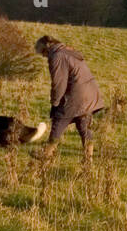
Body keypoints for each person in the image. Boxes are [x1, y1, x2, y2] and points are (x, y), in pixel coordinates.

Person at [34, 34, 105, 162]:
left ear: (47, 48)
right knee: (84, 126)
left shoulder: (57, 57)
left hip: (76, 95)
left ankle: (46, 154)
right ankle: (88, 160)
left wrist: (55, 102)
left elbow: (59, 83)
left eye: (43, 53)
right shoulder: (69, 51)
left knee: (59, 121)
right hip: (89, 94)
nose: (44, 56)